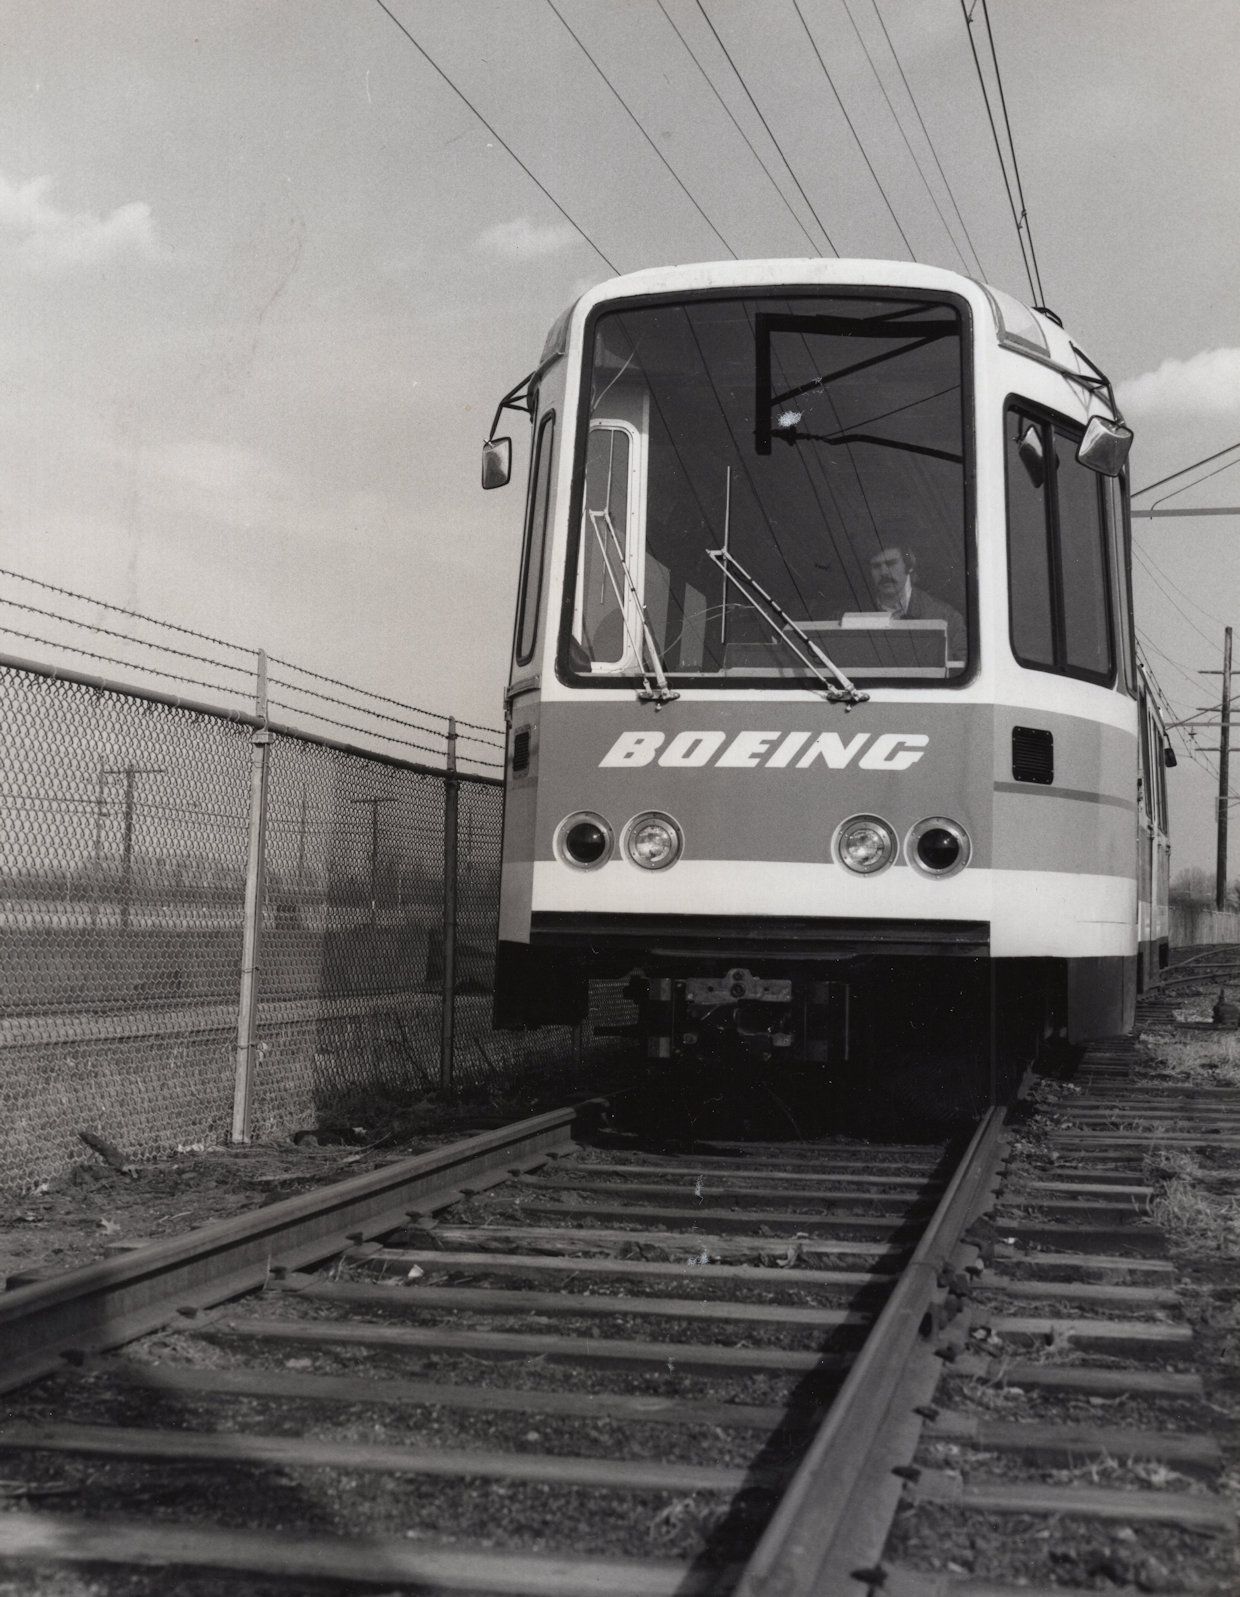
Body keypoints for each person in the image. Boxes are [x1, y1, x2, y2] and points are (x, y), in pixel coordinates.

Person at [867, 545, 965, 663]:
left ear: (909, 566)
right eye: (876, 566)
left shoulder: (948, 617)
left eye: (891, 564)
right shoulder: (846, 615)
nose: (883, 572)